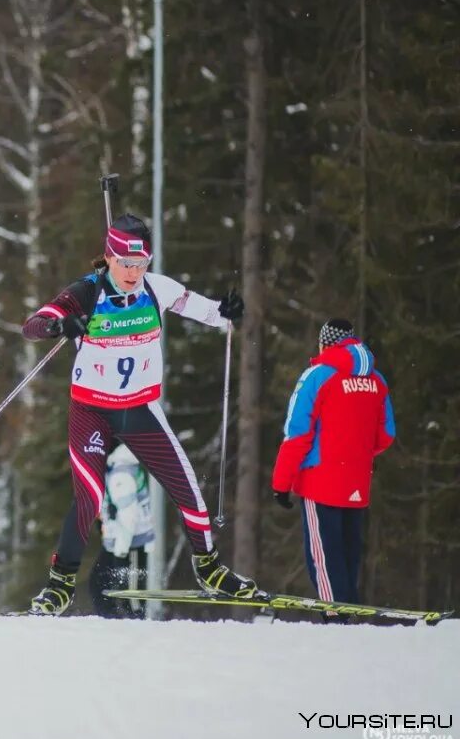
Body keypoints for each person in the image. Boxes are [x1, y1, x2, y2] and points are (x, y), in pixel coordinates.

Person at [21, 213, 255, 615]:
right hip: (92, 411)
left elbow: (210, 312)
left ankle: (210, 569)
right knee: (90, 498)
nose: (133, 272)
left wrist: (228, 310)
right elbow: (33, 325)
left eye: (141, 263)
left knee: (189, 492)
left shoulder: (157, 289)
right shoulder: (87, 292)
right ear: (109, 258)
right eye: (126, 263)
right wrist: (62, 326)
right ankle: (60, 586)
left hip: (139, 409)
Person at [271, 319, 395, 612]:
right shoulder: (377, 380)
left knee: (324, 559)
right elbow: (387, 435)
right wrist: (356, 454)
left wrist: (281, 483)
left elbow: (297, 434)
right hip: (356, 481)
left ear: (324, 344)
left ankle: (337, 619)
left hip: (320, 482)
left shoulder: (316, 377)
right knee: (349, 555)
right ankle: (351, 614)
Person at [89, 444, 154, 619]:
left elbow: (128, 516)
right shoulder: (116, 469)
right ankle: (112, 623)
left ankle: (134, 627)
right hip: (120, 542)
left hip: (130, 546)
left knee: (129, 598)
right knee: (99, 584)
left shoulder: (121, 474)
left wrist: (120, 553)